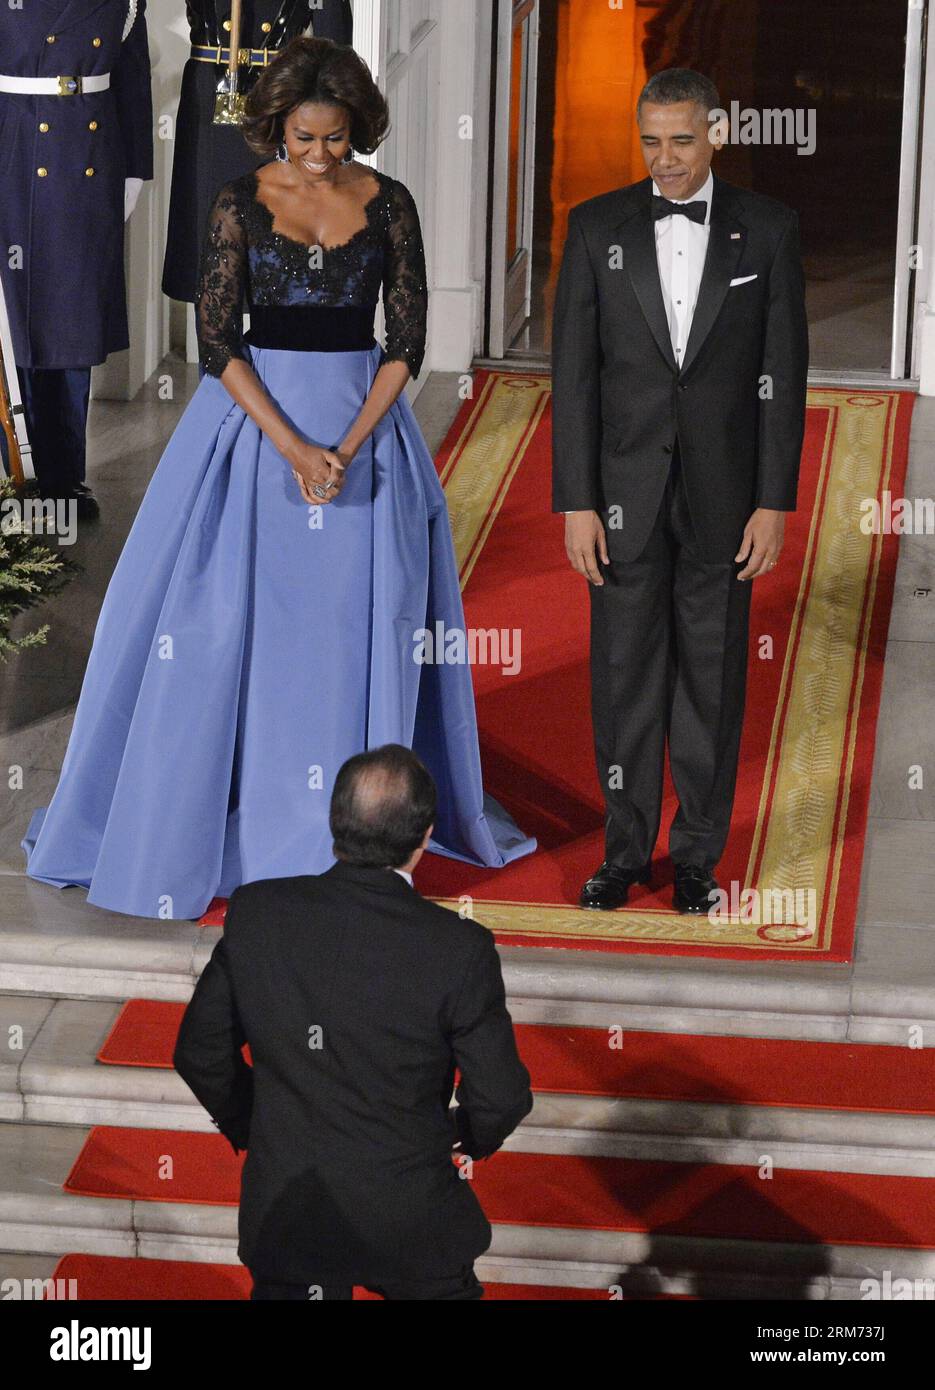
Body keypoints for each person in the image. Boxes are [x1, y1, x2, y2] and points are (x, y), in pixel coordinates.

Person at [22, 36, 535, 921]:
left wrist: (351, 443)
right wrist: (298, 451)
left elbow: (405, 345)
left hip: (366, 432)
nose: (321, 155)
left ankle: (350, 830)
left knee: (349, 634)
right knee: (215, 629)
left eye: (336, 138)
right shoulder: (236, 203)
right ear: (277, 127)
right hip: (251, 432)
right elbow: (219, 343)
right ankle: (215, 816)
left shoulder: (391, 204)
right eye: (304, 138)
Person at [552, 68, 808, 915]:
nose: (664, 159)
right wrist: (576, 501)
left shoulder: (767, 231)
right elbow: (576, 379)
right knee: (623, 676)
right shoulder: (594, 229)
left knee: (711, 675)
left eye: (681, 140)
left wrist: (774, 501)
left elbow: (782, 372)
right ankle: (622, 853)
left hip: (725, 497)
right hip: (619, 494)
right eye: (651, 141)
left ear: (717, 132)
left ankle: (696, 855)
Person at [174, 743, 533, 1300]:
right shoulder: (458, 947)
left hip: (291, 1212)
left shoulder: (259, 914)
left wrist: (257, 1126)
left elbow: (200, 1053)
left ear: (336, 822)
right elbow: (502, 1096)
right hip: (412, 1219)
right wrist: (463, 1136)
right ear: (424, 838)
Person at [0, 0, 153, 519]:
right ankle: (14, 470)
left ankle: (63, 479)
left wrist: (136, 170)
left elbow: (133, 80)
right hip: (13, 150)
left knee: (71, 318)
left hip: (90, 157)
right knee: (14, 318)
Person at [162, 0, 353, 304]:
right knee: (209, 248)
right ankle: (215, 350)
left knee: (275, 241)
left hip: (280, 92)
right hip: (209, 92)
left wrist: (333, 114)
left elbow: (332, 33)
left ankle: (273, 346)